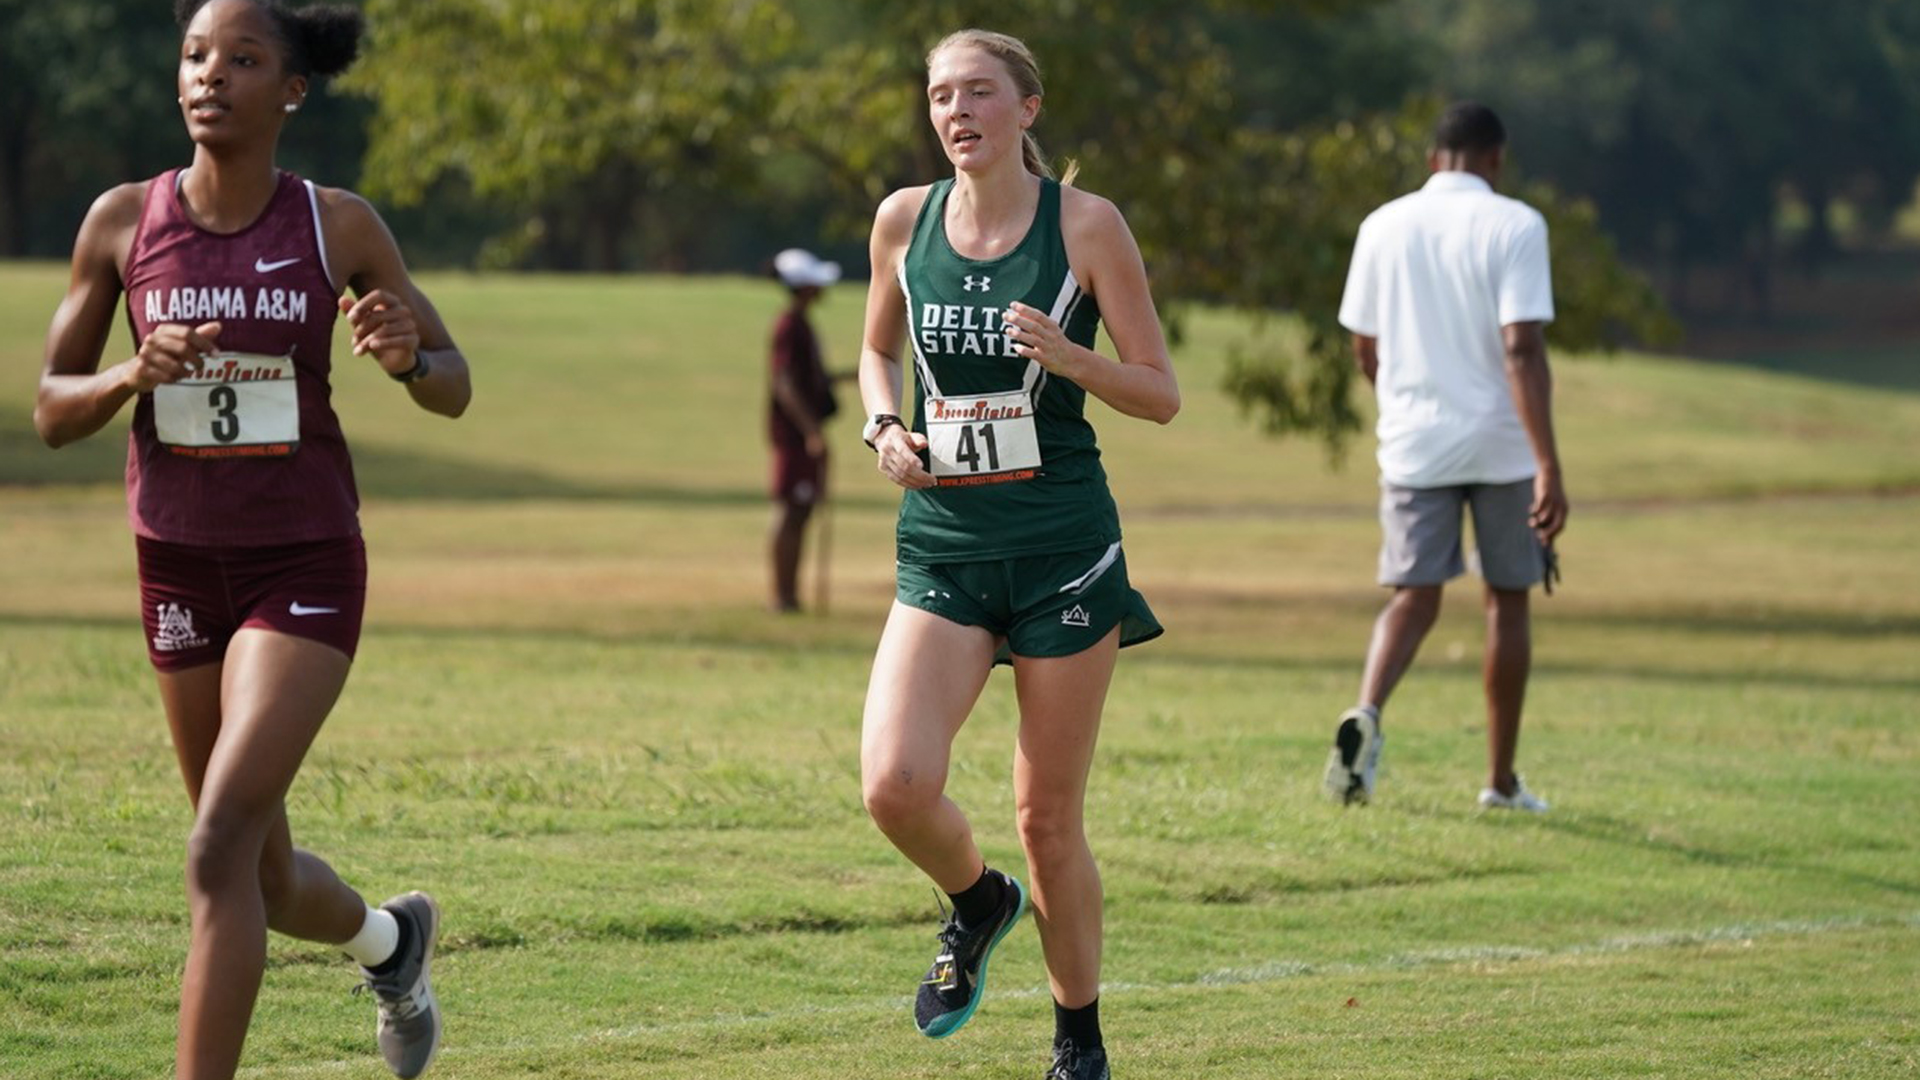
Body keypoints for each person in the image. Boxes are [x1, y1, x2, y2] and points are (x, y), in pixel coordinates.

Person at [32, 2, 471, 1076]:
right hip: (176, 563)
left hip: (303, 563)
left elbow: (453, 387)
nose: (209, 76)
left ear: (291, 88)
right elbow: (50, 409)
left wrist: (411, 352)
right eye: (193, 57)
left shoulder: (337, 224)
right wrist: (133, 372)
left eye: (242, 59)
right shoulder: (123, 222)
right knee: (261, 879)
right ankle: (391, 940)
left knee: (216, 844)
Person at [855, 28, 1179, 1080]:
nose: (958, 112)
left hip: (1062, 555)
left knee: (1047, 818)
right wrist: (883, 428)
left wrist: (1070, 356)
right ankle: (976, 900)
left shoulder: (1087, 226)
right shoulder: (904, 220)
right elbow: (874, 350)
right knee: (895, 784)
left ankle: (1078, 1042)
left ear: (1027, 109)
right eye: (942, 95)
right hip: (945, 546)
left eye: (981, 92)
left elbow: (1160, 393)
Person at [1325, 101, 1569, 813]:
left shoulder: (1381, 225)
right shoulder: (1517, 224)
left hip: (1413, 442)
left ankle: (1366, 711)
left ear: (1435, 159)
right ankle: (1499, 781)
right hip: (1501, 441)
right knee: (1508, 599)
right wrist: (1550, 464)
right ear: (1496, 159)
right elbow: (1522, 348)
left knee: (1414, 596)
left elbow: (1365, 348)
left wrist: (1402, 401)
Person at [766, 247, 841, 613]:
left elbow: (807, 379)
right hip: (793, 438)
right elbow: (784, 383)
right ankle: (782, 597)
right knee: (789, 512)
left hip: (800, 436)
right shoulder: (789, 326)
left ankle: (789, 596)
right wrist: (812, 432)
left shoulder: (801, 324)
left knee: (801, 511)